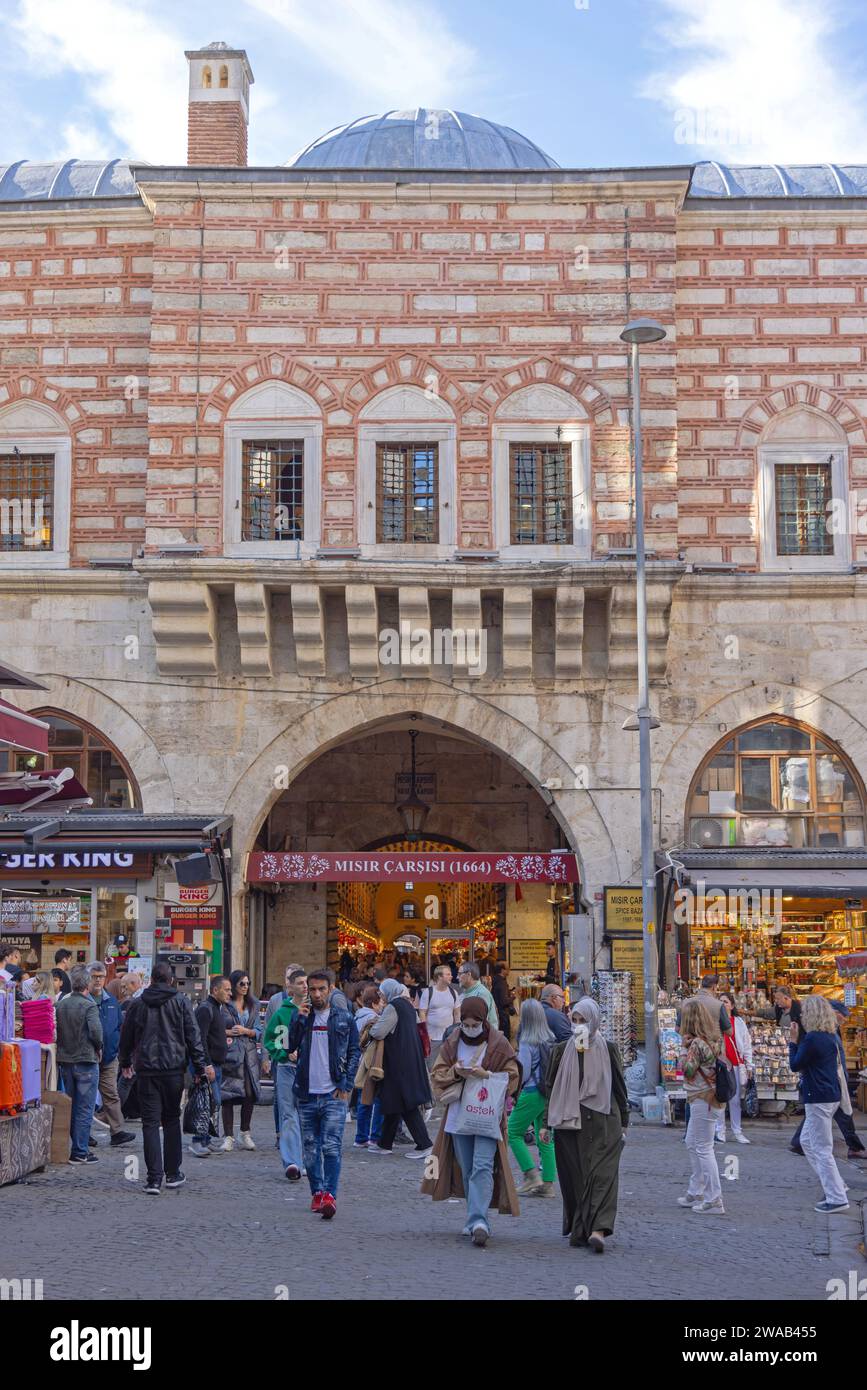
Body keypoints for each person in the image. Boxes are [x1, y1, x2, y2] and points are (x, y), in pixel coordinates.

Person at [421, 996, 521, 1246]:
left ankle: (480, 1220)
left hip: (488, 1114)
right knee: (466, 1167)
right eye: (465, 1024)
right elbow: (437, 1074)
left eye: (474, 1024)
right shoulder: (453, 1041)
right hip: (458, 1115)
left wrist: (486, 1075)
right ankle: (472, 1217)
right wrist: (456, 1072)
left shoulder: (498, 1043)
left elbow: (513, 1075)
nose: (469, 1028)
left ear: (483, 1021)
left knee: (482, 1166)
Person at [541, 997, 628, 1252]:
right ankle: (581, 1228)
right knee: (577, 1177)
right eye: (575, 1020)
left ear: (594, 1022)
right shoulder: (560, 1051)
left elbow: (620, 1088)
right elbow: (551, 1089)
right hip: (571, 1123)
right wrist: (546, 1123)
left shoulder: (609, 1049)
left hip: (604, 1122)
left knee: (603, 1175)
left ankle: (599, 1229)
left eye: (583, 1021)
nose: (579, 1026)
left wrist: (624, 1122)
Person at [118, 960, 211, 1195]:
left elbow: (126, 1036)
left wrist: (126, 1062)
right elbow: (193, 1036)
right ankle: (172, 1173)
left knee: (150, 1123)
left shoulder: (138, 1004)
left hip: (147, 1069)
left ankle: (153, 1178)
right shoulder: (181, 1002)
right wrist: (199, 1067)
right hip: (173, 1070)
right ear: (171, 980)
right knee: (170, 1120)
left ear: (150, 980)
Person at [287, 967, 361, 1219]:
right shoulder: (302, 1017)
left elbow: (354, 1052)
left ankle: (330, 1194)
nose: (317, 994)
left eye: (322, 989)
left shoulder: (344, 1018)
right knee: (309, 1148)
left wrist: (346, 1085)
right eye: (313, 989)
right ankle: (316, 1193)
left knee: (331, 1147)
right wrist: (298, 1019)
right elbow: (290, 1045)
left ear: (331, 989)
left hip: (333, 1094)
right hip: (307, 1093)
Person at [788, 994, 850, 1213]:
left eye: (805, 1012)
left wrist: (793, 1042)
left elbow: (795, 1065)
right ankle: (836, 1185)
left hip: (819, 1096)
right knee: (807, 1141)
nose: (802, 1015)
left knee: (822, 1148)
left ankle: (837, 1196)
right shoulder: (829, 1035)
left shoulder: (814, 1038)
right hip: (828, 1094)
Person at [368, 978, 432, 1157]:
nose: (380, 996)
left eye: (381, 993)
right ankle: (385, 1143)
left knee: (406, 1103)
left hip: (398, 1062)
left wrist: (373, 1025)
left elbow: (379, 1032)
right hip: (410, 1059)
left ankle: (425, 1144)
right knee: (395, 1101)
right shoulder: (408, 1006)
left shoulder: (393, 1006)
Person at [678, 997, 725, 1215]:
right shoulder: (712, 1039)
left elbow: (686, 1070)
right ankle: (696, 1190)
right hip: (707, 1097)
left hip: (703, 1098)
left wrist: (682, 1050)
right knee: (692, 1142)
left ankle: (714, 1199)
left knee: (704, 1148)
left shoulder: (696, 1044)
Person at [508, 997, 557, 1196]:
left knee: (513, 1132)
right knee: (544, 1137)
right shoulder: (550, 1037)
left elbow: (524, 1072)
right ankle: (547, 1184)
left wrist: (513, 1090)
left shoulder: (527, 1041)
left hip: (530, 1092)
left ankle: (531, 1174)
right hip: (546, 1092)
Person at [56, 964, 103, 1165]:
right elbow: (96, 1033)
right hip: (85, 1060)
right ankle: (80, 1151)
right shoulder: (89, 1005)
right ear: (87, 984)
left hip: (66, 1060)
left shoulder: (61, 1005)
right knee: (85, 1108)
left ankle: (76, 1147)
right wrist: (99, 1047)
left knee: (73, 1105)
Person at [263, 968, 308, 1180]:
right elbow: (270, 1039)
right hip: (287, 1069)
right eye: (300, 983)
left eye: (305, 982)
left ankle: (307, 1160)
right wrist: (283, 1054)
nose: (305, 986)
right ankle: (292, 1162)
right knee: (289, 1115)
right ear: (290, 986)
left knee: (307, 1116)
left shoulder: (314, 1011)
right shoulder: (282, 1012)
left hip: (309, 1071)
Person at [87, 962, 136, 1148]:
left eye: (101, 976)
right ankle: (85, 1134)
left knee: (112, 1095)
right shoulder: (84, 999)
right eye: (94, 976)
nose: (98, 980)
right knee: (87, 1098)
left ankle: (117, 1131)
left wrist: (119, 1052)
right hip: (88, 1057)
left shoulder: (112, 1002)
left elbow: (119, 1028)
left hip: (109, 1057)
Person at [219, 969, 262, 1151]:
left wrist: (247, 1032)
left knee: (249, 1094)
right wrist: (229, 1032)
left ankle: (245, 1132)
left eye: (247, 984)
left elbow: (260, 1031)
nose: (245, 987)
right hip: (230, 1054)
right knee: (227, 1094)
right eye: (241, 984)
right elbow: (215, 1028)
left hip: (249, 1055)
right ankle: (228, 1135)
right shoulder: (224, 1005)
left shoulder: (254, 1005)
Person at [191, 974, 231, 1159]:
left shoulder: (217, 1008)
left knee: (213, 1102)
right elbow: (200, 1039)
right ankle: (198, 1141)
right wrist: (206, 1065)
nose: (230, 993)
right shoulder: (206, 1009)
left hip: (217, 1063)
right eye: (227, 989)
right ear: (215, 990)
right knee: (206, 1102)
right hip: (209, 1064)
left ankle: (205, 1140)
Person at [715, 991, 753, 1145]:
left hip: (736, 1064)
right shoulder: (714, 1022)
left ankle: (737, 1131)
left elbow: (746, 1044)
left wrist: (749, 1065)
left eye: (726, 1001)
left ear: (732, 1005)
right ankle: (720, 1130)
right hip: (720, 1065)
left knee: (735, 1100)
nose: (723, 1004)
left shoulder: (738, 1022)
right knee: (720, 1099)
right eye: (720, 1001)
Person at [352, 985, 385, 1149]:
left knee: (362, 1099)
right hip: (369, 1062)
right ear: (373, 1003)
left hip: (359, 1062)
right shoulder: (374, 1019)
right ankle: (374, 1136)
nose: (382, 1005)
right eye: (380, 1002)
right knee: (376, 1099)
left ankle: (361, 1136)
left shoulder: (357, 1016)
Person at [418, 966, 461, 1065]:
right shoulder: (428, 992)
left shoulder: (453, 993)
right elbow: (422, 1013)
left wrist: (457, 1032)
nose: (451, 976)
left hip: (449, 1038)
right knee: (432, 1066)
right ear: (439, 977)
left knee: (447, 1066)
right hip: (432, 1039)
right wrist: (425, 1035)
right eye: (448, 974)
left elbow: (457, 1013)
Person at [691, 974, 733, 1043]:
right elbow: (729, 1032)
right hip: (713, 1050)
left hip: (691, 1049)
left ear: (701, 986)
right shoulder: (719, 1005)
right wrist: (728, 1016)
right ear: (714, 987)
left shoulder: (685, 1003)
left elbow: (677, 1029)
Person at [457, 961, 498, 1028]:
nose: (457, 977)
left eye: (459, 974)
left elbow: (482, 1022)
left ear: (469, 975)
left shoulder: (482, 993)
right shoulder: (464, 992)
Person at [490, 962, 514, 1040]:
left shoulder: (495, 979)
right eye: (507, 969)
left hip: (497, 1012)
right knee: (504, 1038)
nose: (509, 970)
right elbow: (504, 1001)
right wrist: (513, 997)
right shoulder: (501, 982)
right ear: (502, 970)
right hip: (502, 1014)